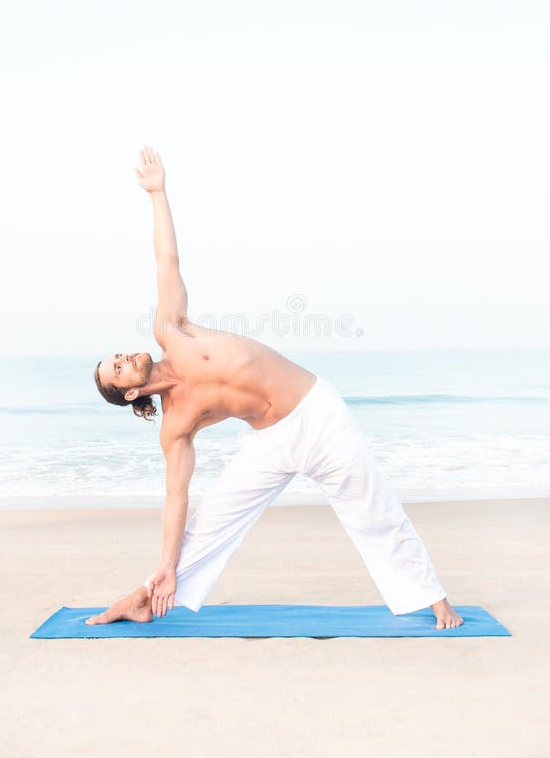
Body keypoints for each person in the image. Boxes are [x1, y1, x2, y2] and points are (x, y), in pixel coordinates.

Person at [86, 146, 464, 630]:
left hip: (316, 413)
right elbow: (175, 499)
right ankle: (144, 594)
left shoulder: (171, 330)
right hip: (272, 441)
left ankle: (434, 601)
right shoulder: (176, 424)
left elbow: (167, 259)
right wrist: (165, 562)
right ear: (131, 395)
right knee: (209, 523)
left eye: (117, 356)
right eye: (116, 371)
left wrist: (158, 193)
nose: (123, 359)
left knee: (375, 512)